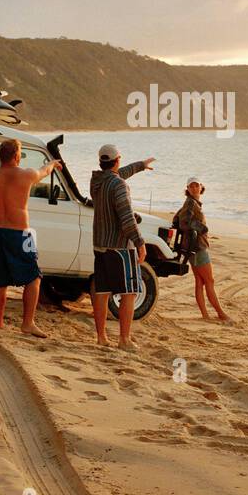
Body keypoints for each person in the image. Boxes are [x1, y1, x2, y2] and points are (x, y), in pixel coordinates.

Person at [0, 138, 61, 335]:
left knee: (0, 281)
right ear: (17, 156)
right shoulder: (26, 174)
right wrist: (52, 163)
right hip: (21, 234)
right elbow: (45, 172)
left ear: (1, 156)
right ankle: (27, 323)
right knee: (34, 277)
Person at [90, 143, 154, 350]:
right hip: (118, 247)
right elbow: (127, 218)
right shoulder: (118, 185)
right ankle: (124, 340)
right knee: (129, 292)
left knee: (102, 291)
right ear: (118, 160)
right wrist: (140, 242)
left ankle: (101, 337)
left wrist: (141, 165)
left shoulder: (97, 181)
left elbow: (117, 174)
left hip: (99, 244)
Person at [174, 178, 229, 322]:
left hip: (193, 247)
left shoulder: (192, 203)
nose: (194, 188)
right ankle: (221, 313)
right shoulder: (191, 203)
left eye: (196, 185)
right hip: (197, 247)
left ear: (201, 187)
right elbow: (183, 222)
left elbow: (176, 218)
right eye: (191, 186)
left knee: (200, 281)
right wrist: (201, 228)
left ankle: (205, 315)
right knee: (209, 280)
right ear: (187, 188)